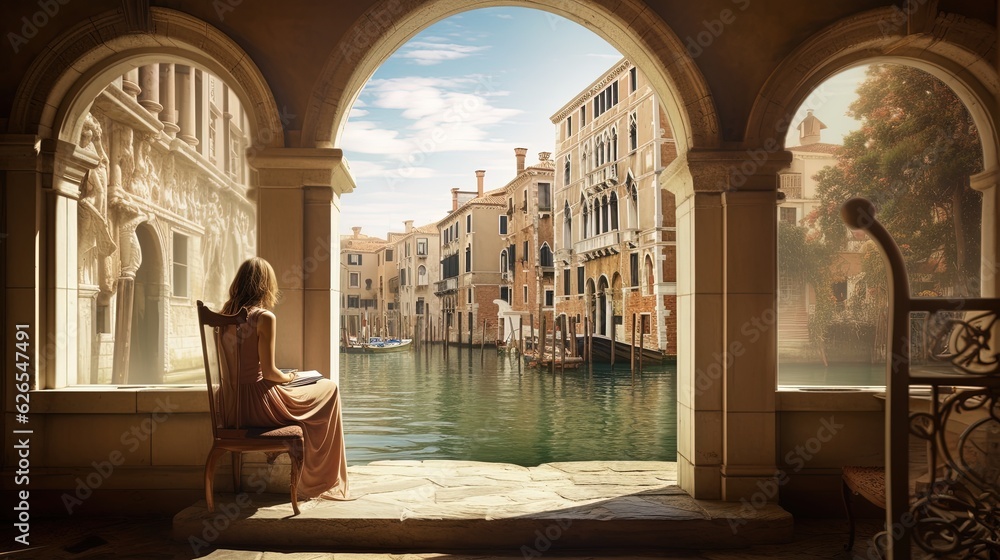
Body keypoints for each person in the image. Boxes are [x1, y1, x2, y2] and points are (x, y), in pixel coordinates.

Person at [220, 257, 349, 500]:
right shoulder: (263, 317)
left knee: (313, 392)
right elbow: (270, 373)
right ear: (266, 285)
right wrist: (289, 376)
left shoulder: (223, 316)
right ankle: (321, 478)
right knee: (329, 388)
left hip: (228, 406)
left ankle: (307, 469)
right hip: (257, 406)